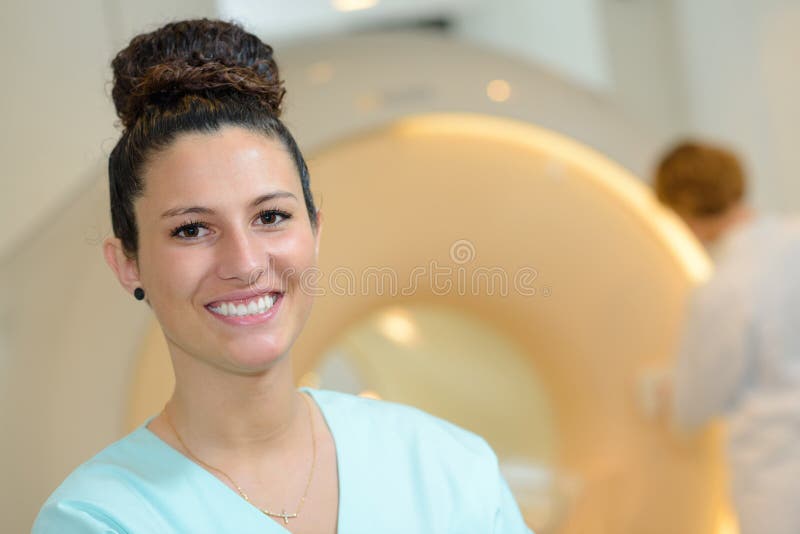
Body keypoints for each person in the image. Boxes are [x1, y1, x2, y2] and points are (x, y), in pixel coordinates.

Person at [32, 19, 531, 534]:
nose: (245, 263)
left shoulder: (448, 469)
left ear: (314, 230)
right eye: (192, 229)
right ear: (127, 263)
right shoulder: (101, 518)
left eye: (270, 217)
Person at [655, 140, 800, 534]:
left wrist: (668, 390)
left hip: (776, 481)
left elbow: (694, 405)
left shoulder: (721, 293)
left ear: (684, 213)